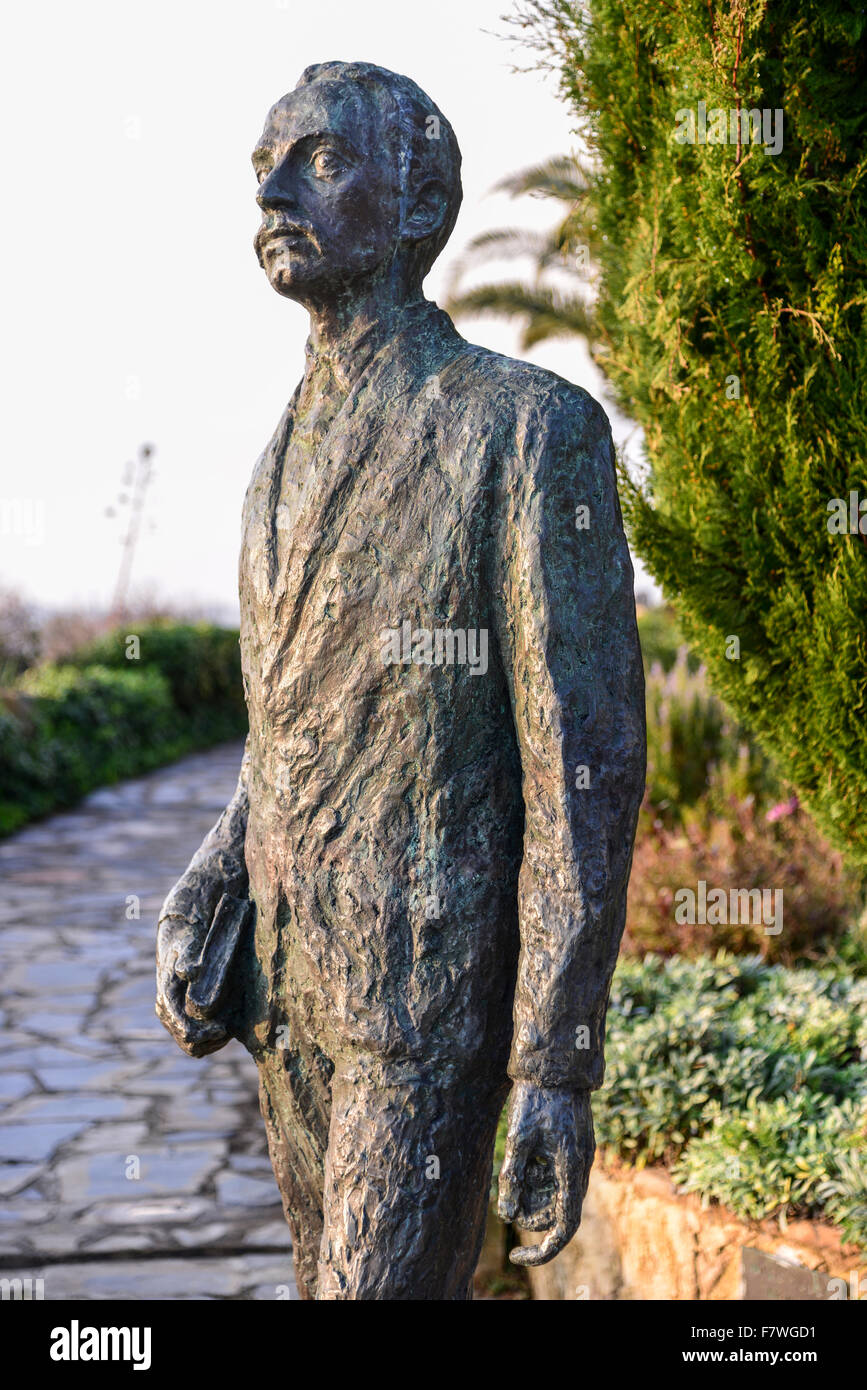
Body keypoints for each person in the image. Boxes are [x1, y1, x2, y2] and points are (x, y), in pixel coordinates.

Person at [156, 60, 646, 1301]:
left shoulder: (526, 428)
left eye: (320, 159)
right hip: (291, 1008)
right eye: (264, 164)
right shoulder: (275, 462)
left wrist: (554, 1061)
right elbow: (290, 737)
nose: (272, 188)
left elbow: (582, 764)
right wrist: (214, 877)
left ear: (420, 203)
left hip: (431, 1010)